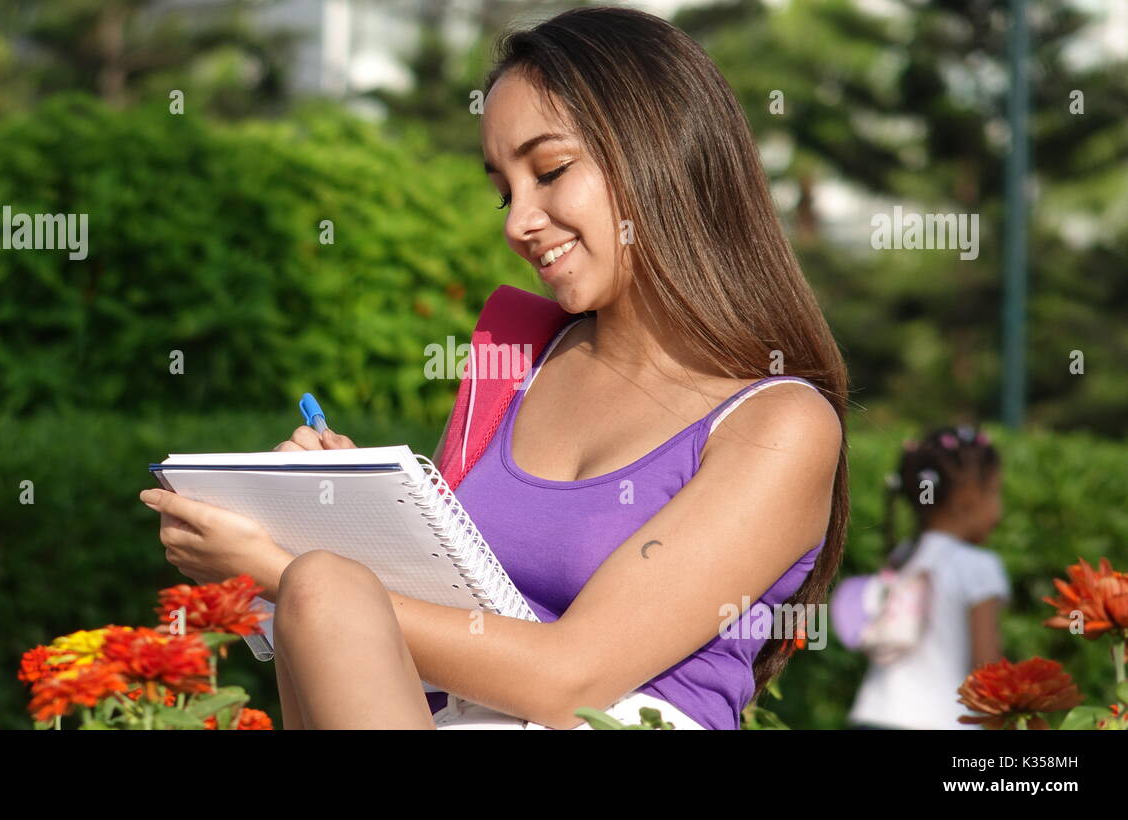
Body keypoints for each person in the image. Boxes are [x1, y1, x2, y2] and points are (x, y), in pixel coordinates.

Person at [140, 6, 848, 729]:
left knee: (320, 584)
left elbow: (571, 675)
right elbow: (456, 619)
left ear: (661, 150)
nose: (517, 221)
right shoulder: (519, 363)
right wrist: (348, 518)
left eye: (550, 170)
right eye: (505, 191)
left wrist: (281, 570)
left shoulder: (778, 424)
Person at [848, 425, 1009, 730]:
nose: (998, 508)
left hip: (875, 714)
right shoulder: (979, 566)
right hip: (942, 720)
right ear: (969, 498)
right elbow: (986, 666)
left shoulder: (903, 556)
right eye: (995, 492)